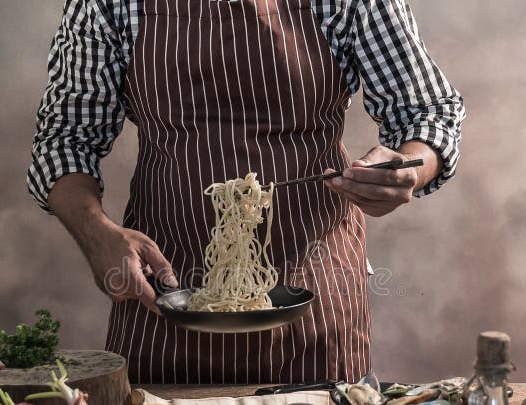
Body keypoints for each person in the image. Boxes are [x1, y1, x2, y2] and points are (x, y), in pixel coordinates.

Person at [27, 0, 465, 384]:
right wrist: (96, 233)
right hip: (164, 297)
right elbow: (65, 139)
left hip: (316, 300)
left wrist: (407, 170)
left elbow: (426, 112)